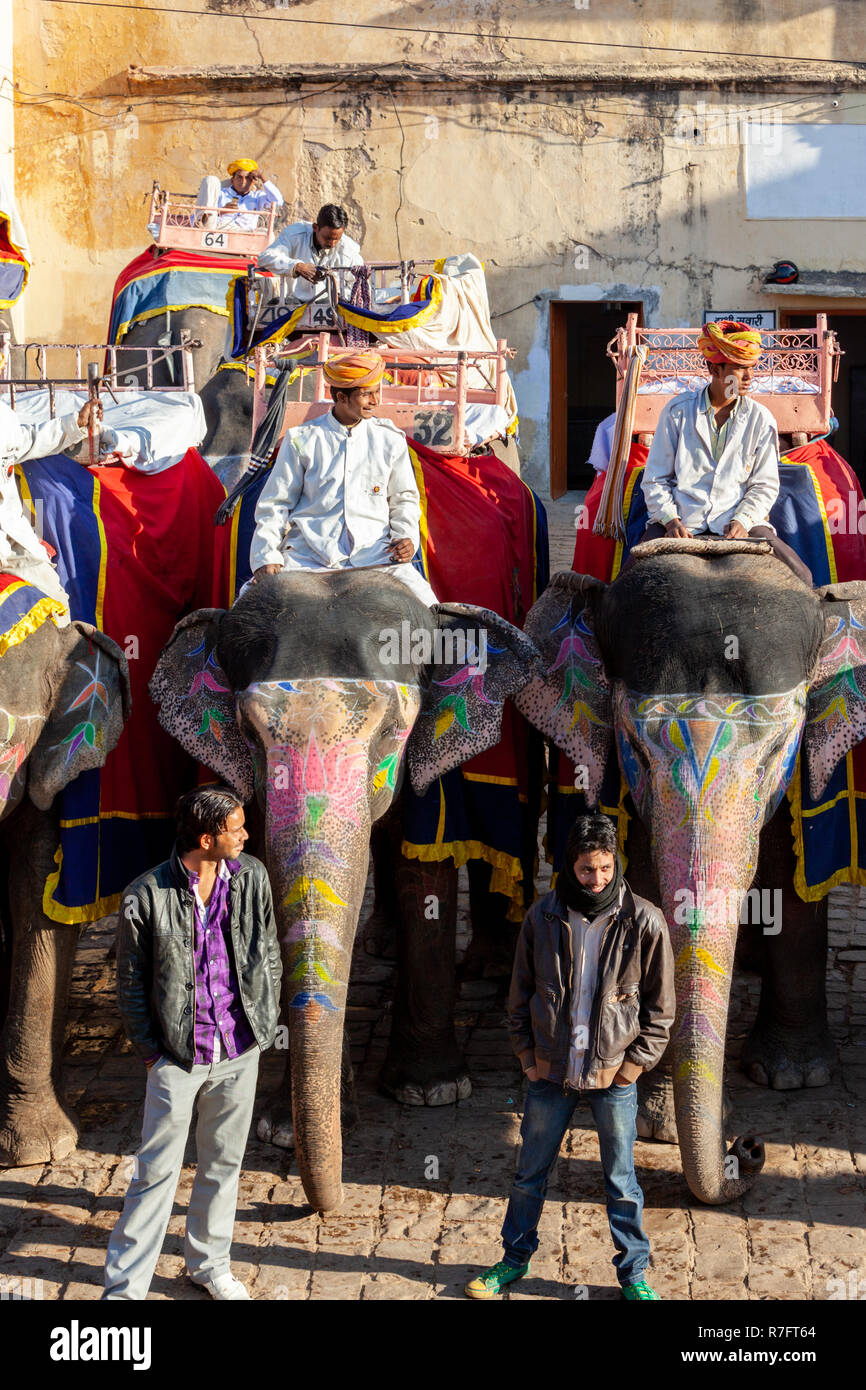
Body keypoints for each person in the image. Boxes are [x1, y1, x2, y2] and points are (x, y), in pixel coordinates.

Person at [465, 813, 674, 1302]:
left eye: (604, 868)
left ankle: (634, 1277)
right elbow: (518, 995)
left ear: (615, 862)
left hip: (614, 1076)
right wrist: (527, 1057)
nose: (596, 879)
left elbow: (662, 1010)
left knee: (621, 1181)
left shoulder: (644, 920)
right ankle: (512, 1260)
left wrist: (632, 1068)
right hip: (549, 1073)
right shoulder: (542, 917)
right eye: (586, 870)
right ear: (569, 866)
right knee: (529, 1173)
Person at [103, 787, 282, 1301]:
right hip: (177, 1059)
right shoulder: (146, 895)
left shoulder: (251, 877)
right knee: (155, 1174)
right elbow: (130, 985)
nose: (246, 835)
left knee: (223, 1164)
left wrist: (261, 1025)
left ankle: (209, 1265)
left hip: (238, 1049)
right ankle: (125, 1291)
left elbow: (267, 949)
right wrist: (152, 1053)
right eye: (237, 828)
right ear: (207, 839)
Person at [249, 348, 437, 606]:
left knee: (431, 611)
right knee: (245, 612)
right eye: (366, 394)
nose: (375, 401)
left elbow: (403, 498)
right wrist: (266, 556)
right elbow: (275, 504)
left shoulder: (390, 440)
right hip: (308, 559)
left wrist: (406, 537)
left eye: (377, 392)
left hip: (377, 557)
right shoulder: (301, 439)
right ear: (340, 397)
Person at [639, 318, 811, 584]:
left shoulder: (761, 419)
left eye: (752, 368)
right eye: (740, 368)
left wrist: (743, 519)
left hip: (741, 523)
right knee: (629, 580)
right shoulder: (677, 412)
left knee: (802, 576)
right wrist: (670, 520)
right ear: (714, 369)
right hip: (683, 521)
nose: (750, 377)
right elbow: (655, 479)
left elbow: (764, 485)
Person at [0, 386, 103, 618]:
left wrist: (75, 423)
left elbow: (28, 440)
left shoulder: (4, 418)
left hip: (15, 545)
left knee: (57, 606)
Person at [257, 203, 363, 301]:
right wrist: (296, 266)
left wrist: (341, 296)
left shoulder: (348, 248)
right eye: (327, 238)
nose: (332, 244)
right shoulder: (295, 234)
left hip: (331, 305)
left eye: (337, 239)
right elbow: (265, 257)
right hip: (296, 303)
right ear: (315, 227)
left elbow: (358, 284)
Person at [196, 158, 283, 232]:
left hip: (246, 233)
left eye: (248, 178)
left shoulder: (258, 197)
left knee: (266, 233)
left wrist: (262, 177)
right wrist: (221, 211)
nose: (243, 181)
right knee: (211, 179)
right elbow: (197, 216)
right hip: (218, 229)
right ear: (232, 180)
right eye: (239, 177)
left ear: (253, 181)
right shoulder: (220, 193)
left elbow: (278, 201)